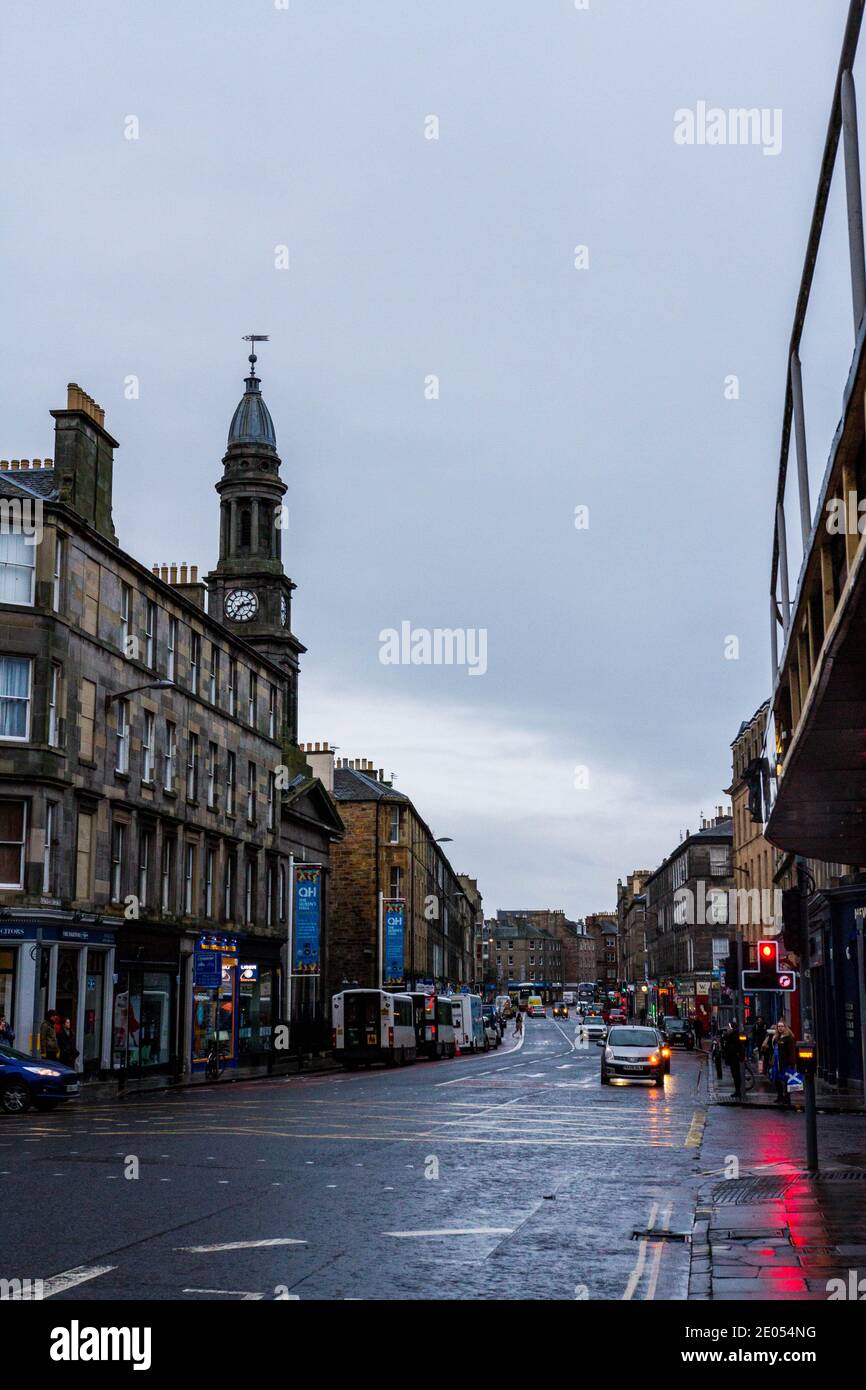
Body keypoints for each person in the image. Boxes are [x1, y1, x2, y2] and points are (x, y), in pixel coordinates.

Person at [770, 1020, 797, 1106]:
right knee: (776, 1079)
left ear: (785, 1027)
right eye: (779, 1026)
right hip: (776, 1062)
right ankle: (780, 1096)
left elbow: (791, 1051)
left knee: (786, 1081)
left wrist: (791, 1063)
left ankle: (787, 1098)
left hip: (785, 1063)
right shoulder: (776, 1037)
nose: (780, 1028)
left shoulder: (789, 1038)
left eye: (782, 1026)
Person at [721, 1022, 745, 1099]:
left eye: (729, 1027)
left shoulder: (735, 1035)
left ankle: (738, 1091)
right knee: (735, 1075)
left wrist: (741, 1055)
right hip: (732, 1057)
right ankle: (737, 1091)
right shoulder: (730, 1034)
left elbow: (742, 1043)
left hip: (735, 1057)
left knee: (736, 1075)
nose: (728, 1028)